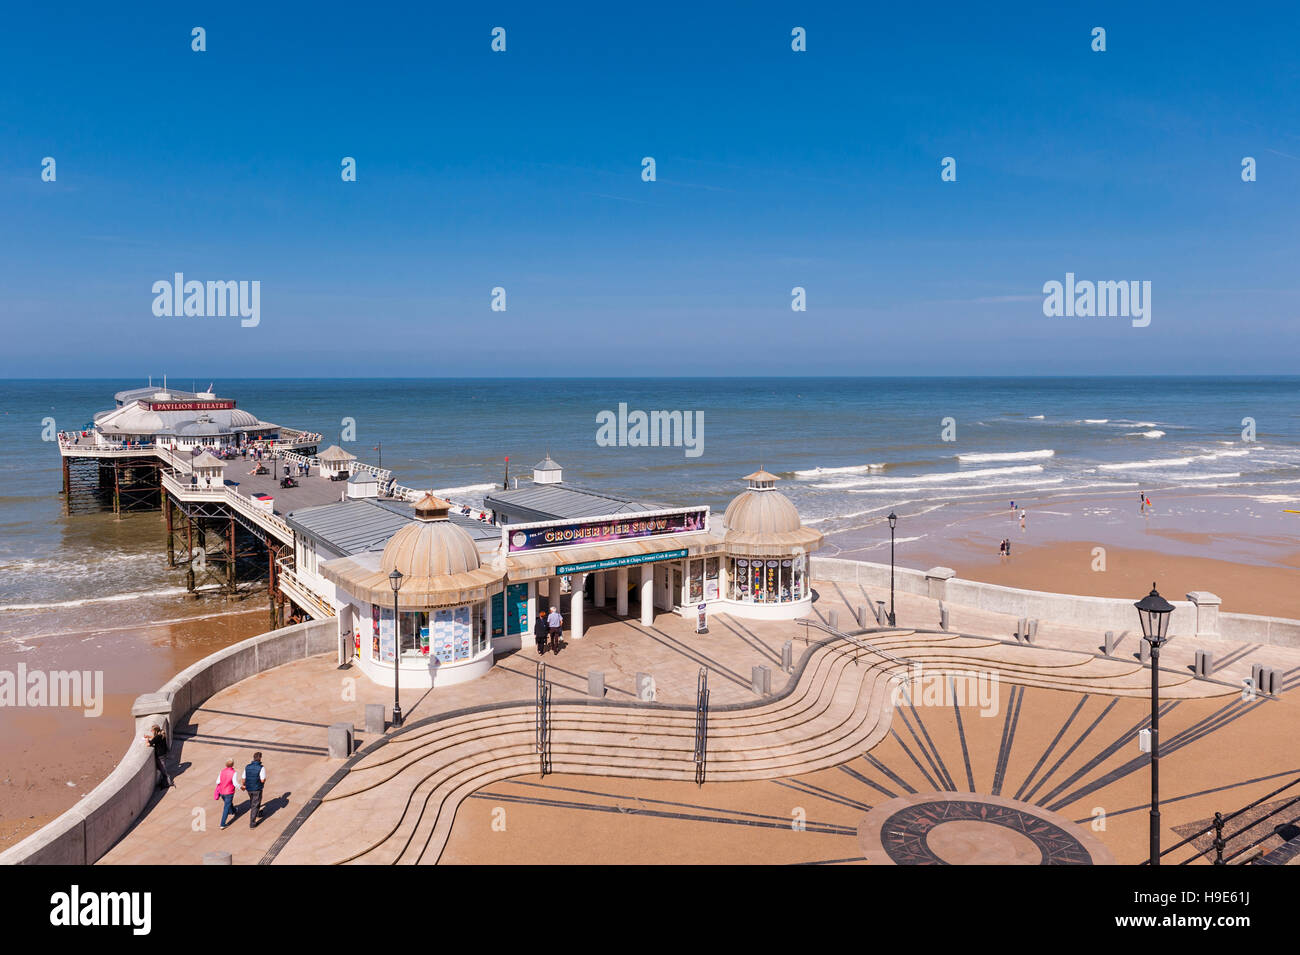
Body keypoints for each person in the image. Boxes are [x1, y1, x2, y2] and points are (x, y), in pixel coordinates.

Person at [239, 752, 267, 829]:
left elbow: (243, 778)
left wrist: (244, 785)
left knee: (252, 801)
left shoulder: (247, 767)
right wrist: (264, 780)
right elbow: (262, 780)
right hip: (257, 788)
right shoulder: (261, 768)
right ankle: (252, 823)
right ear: (260, 758)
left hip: (249, 788)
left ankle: (257, 813)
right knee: (255, 804)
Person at [142, 724, 173, 789]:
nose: (151, 731)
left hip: (160, 755)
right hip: (164, 753)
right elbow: (155, 739)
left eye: (152, 730)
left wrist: (147, 739)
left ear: (155, 731)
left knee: (162, 769)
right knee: (162, 767)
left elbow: (148, 744)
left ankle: (168, 782)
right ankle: (165, 780)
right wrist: (149, 736)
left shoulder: (157, 737)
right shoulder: (161, 734)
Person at [214, 759, 238, 829]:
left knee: (228, 803)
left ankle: (233, 811)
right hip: (229, 792)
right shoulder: (234, 773)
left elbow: (217, 781)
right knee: (226, 807)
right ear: (233, 765)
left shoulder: (222, 771)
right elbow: (235, 783)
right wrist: (241, 787)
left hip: (222, 792)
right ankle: (222, 823)